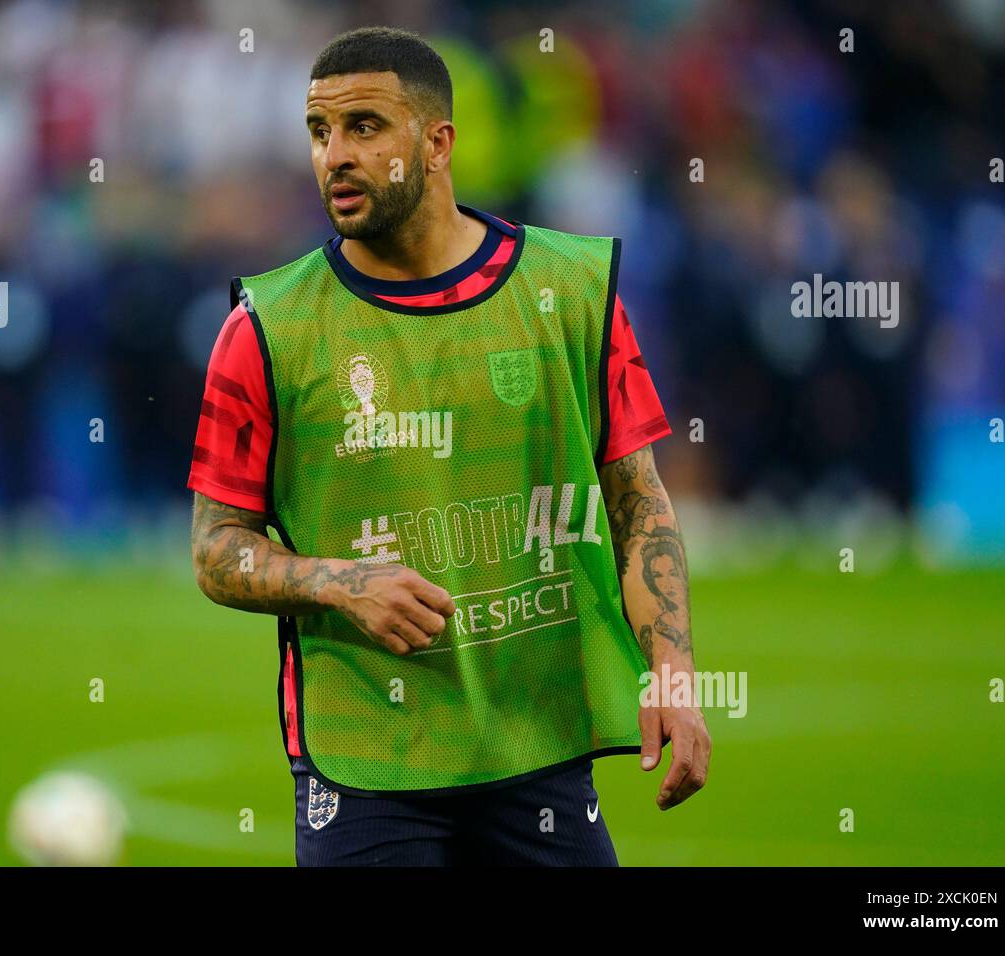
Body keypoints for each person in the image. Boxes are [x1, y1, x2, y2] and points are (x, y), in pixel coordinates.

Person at [188, 26, 709, 866]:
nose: (335, 157)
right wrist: (339, 582)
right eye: (320, 132)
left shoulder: (571, 294)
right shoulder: (267, 330)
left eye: (365, 127)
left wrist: (674, 678)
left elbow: (637, 501)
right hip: (365, 763)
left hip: (535, 748)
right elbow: (216, 549)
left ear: (438, 143)